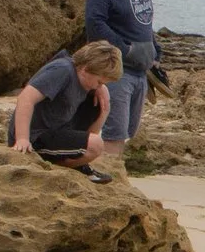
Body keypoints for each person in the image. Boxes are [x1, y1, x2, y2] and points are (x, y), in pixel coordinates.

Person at [85, 0, 161, 164]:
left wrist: (154, 50)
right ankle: (110, 180)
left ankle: (115, 175)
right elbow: (95, 24)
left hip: (140, 72)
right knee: (114, 133)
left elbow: (144, 21)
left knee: (128, 132)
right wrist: (126, 50)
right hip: (117, 72)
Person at [8, 41, 124, 177]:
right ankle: (71, 163)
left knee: (99, 102)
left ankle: (77, 157)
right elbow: (25, 98)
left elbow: (93, 130)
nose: (99, 86)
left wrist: (105, 109)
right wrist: (22, 139)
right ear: (86, 69)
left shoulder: (83, 78)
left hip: (58, 129)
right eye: (99, 82)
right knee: (95, 145)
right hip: (36, 136)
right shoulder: (62, 70)